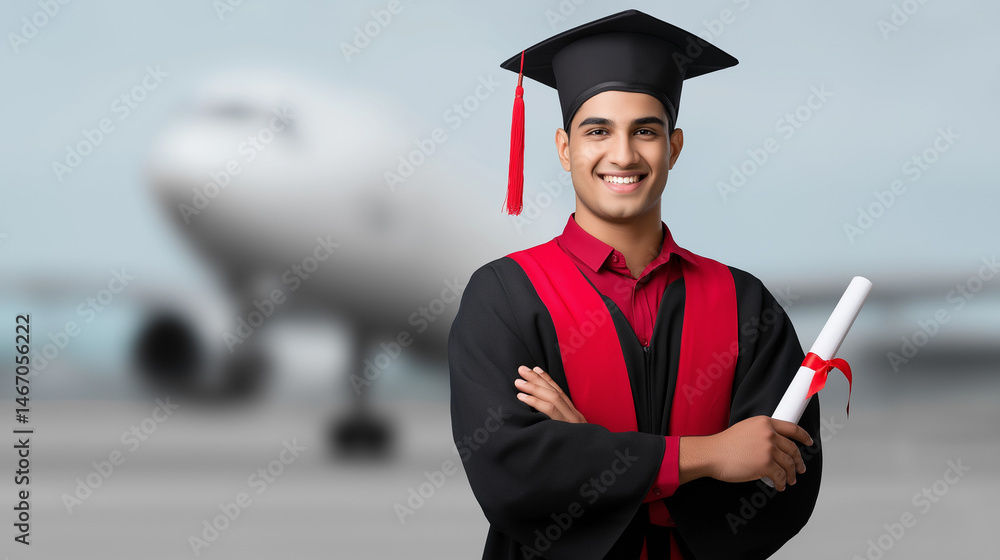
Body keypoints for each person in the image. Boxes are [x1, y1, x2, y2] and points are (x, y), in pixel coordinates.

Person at [448, 10, 822, 560]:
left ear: (673, 148)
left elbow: (781, 487)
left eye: (644, 131)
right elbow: (516, 478)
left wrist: (590, 453)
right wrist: (711, 456)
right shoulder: (505, 295)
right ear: (563, 147)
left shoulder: (745, 304)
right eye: (597, 130)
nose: (622, 155)